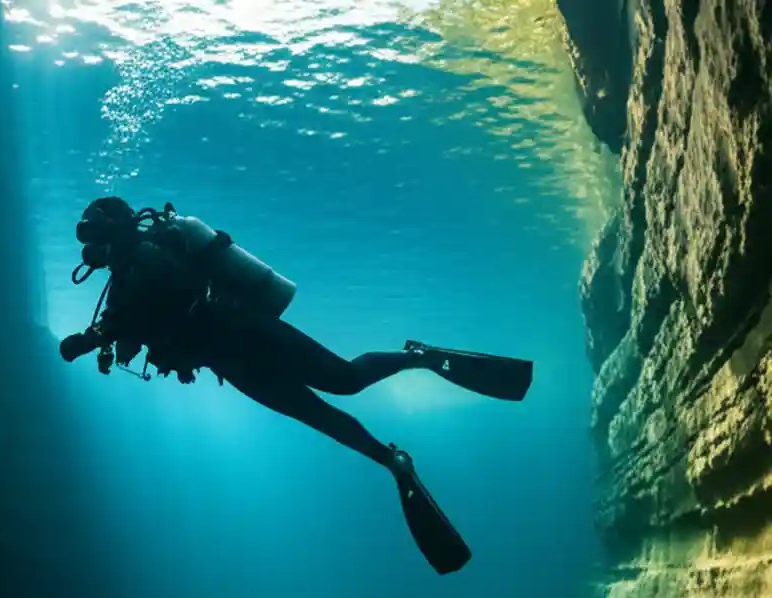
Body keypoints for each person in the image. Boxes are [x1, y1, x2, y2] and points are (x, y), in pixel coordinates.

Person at [58, 197, 534, 575]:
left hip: (247, 333)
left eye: (95, 237)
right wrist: (97, 336)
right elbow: (132, 319)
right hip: (236, 365)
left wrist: (96, 335)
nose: (92, 250)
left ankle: (419, 357)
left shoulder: (153, 252)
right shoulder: (125, 277)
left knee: (344, 381)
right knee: (320, 417)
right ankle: (392, 460)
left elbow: (150, 301)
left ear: (115, 229)